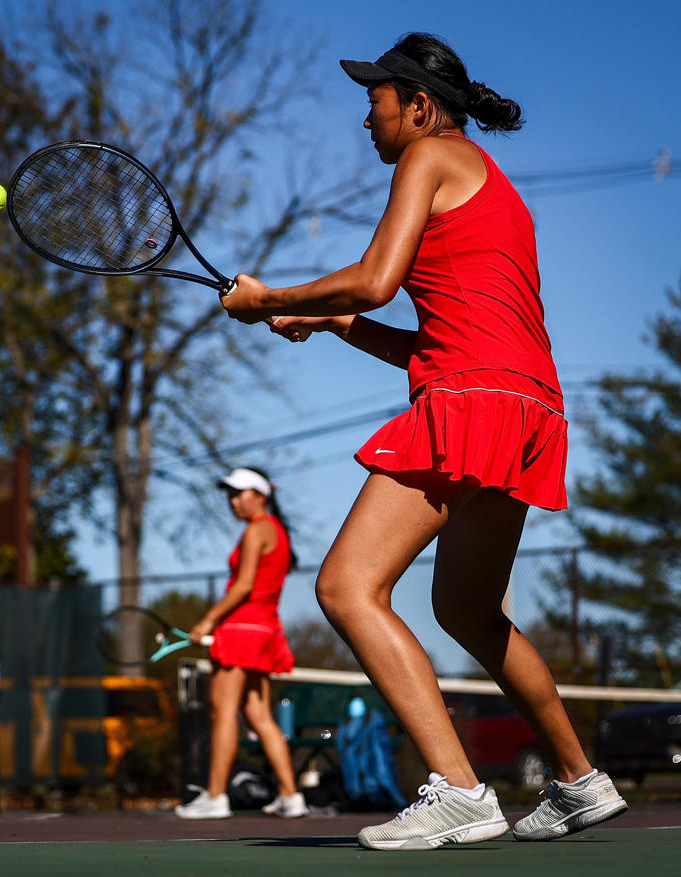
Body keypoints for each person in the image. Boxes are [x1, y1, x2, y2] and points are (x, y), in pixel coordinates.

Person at [219, 33, 627, 850]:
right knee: (468, 610)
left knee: (344, 586)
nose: (363, 119)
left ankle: (461, 789)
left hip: (472, 401)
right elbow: (438, 338)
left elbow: (376, 275)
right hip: (529, 406)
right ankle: (581, 779)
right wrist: (342, 324)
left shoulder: (428, 157)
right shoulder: (496, 186)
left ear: (419, 105)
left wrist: (269, 299)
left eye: (374, 101)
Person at [175, 467, 308, 820]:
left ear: (261, 496)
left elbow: (244, 585)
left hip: (241, 629)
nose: (234, 501)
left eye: (240, 493)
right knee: (260, 716)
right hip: (265, 631)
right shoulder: (276, 531)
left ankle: (216, 796)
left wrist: (209, 619)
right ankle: (291, 796)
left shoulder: (256, 531)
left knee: (222, 713)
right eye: (230, 495)